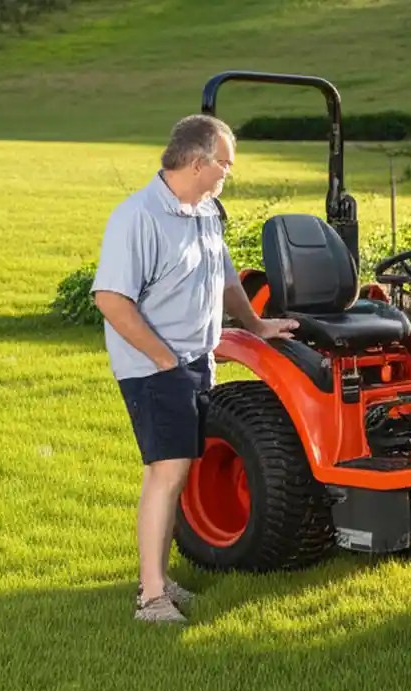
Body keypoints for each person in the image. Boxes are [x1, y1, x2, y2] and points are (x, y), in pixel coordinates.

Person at [91, 115, 298, 623]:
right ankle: (151, 599)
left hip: (195, 361)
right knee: (168, 472)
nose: (229, 172)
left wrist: (256, 324)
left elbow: (224, 278)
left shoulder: (205, 211)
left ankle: (157, 580)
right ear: (199, 162)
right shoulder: (137, 217)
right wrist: (163, 361)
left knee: (175, 471)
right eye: (225, 163)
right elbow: (110, 299)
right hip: (155, 367)